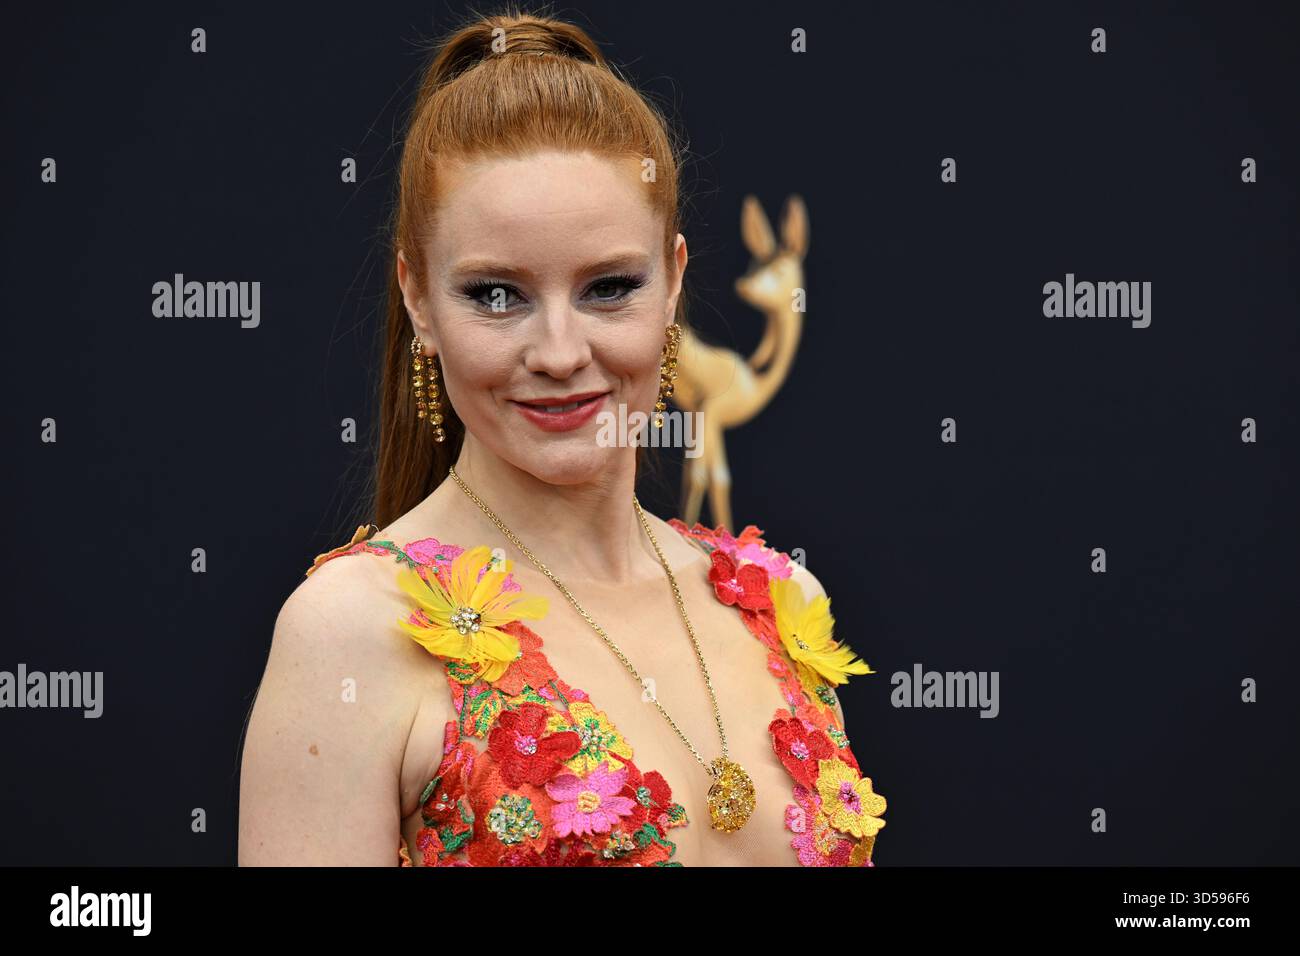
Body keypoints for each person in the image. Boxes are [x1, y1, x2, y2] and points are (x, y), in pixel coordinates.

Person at [238, 6, 885, 867]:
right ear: (418, 299)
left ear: (674, 285)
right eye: (496, 295)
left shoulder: (780, 603)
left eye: (609, 287)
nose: (558, 353)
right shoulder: (350, 634)